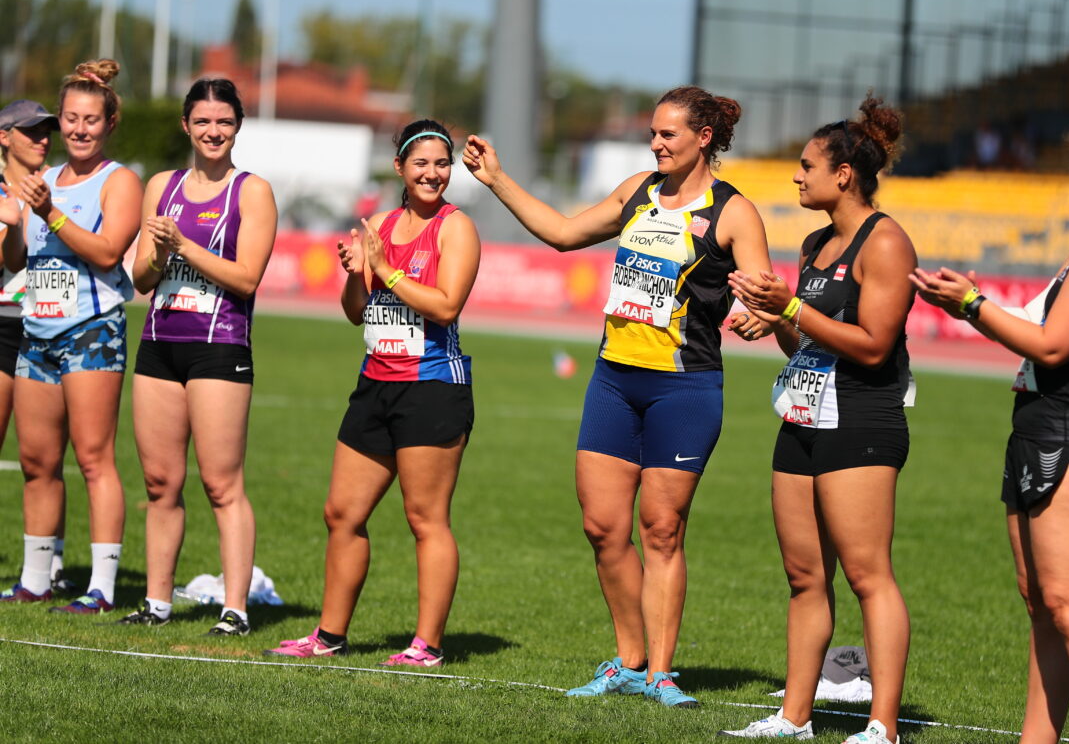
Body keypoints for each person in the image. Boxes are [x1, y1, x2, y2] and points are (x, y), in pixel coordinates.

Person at [462, 86, 772, 708]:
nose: (655, 143)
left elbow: (763, 290)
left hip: (683, 388)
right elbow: (563, 233)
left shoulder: (733, 212)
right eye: (653, 133)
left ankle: (660, 672)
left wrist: (761, 315)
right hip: (612, 379)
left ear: (703, 138)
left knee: (661, 530)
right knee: (603, 527)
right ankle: (629, 660)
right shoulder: (637, 191)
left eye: (668, 135)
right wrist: (497, 180)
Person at [909, 114, 1069, 744]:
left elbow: (1051, 345)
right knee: (1043, 603)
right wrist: (971, 302)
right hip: (1043, 424)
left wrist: (971, 304)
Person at [721, 95, 916, 744]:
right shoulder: (812, 243)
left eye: (808, 166)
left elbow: (874, 344)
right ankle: (793, 718)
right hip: (803, 414)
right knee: (805, 577)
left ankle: (881, 726)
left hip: (861, 420)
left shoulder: (885, 242)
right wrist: (772, 321)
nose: (797, 176)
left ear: (845, 176)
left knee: (867, 575)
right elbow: (807, 343)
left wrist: (793, 311)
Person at [266, 119, 479, 665]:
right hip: (375, 384)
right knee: (341, 512)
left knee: (425, 518)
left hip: (432, 388)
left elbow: (447, 305)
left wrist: (386, 267)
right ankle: (329, 636)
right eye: (421, 164)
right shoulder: (378, 224)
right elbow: (356, 312)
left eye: (441, 163)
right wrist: (357, 273)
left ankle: (426, 645)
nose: (433, 173)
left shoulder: (457, 229)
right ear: (400, 169)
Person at [115, 79, 277, 634]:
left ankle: (235, 609)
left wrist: (184, 245)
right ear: (187, 126)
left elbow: (248, 278)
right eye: (203, 122)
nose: (214, 132)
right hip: (160, 346)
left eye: (224, 122)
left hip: (220, 348)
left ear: (238, 127)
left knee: (221, 484)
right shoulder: (162, 185)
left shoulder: (251, 192)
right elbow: (140, 279)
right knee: (160, 483)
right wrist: (158, 252)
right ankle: (157, 602)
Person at [0, 60, 142, 613]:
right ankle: (36, 578)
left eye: (91, 120)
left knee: (93, 459)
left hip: (91, 331)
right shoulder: (45, 181)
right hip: (37, 332)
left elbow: (109, 252)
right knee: (37, 461)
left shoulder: (119, 180)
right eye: (71, 119)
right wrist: (16, 223)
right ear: (60, 122)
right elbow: (18, 262)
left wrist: (49, 214)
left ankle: (101, 588)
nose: (80, 129)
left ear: (109, 124)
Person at [0, 100, 75, 596]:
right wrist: (13, 220)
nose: (42, 138)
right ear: (4, 137)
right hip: (4, 323)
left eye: (47, 130)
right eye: (30, 131)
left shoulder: (65, 183)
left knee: (48, 456)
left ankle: (52, 562)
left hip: (54, 325)